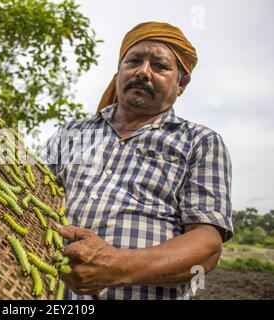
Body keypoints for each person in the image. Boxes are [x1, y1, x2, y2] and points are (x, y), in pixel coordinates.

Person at [36, 21, 233, 300]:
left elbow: (207, 247)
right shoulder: (71, 134)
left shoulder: (199, 142)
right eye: (134, 61)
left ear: (181, 84)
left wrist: (116, 266)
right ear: (119, 72)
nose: (143, 72)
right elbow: (29, 191)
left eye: (160, 66)